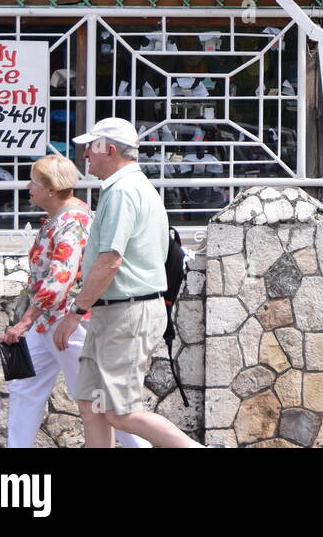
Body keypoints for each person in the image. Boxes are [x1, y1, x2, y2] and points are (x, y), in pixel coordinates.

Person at [52, 117, 202, 448]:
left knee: (120, 413)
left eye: (91, 147)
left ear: (110, 149)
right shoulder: (132, 188)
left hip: (125, 312)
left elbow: (110, 262)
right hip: (120, 311)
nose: (86, 155)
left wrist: (76, 311)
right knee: (92, 404)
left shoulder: (122, 192)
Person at [0, 154, 149, 449]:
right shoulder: (61, 217)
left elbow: (60, 277)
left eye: (34, 181)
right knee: (24, 387)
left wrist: (25, 321)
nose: (28, 186)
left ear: (51, 189)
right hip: (49, 322)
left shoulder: (73, 220)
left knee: (100, 398)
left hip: (70, 324)